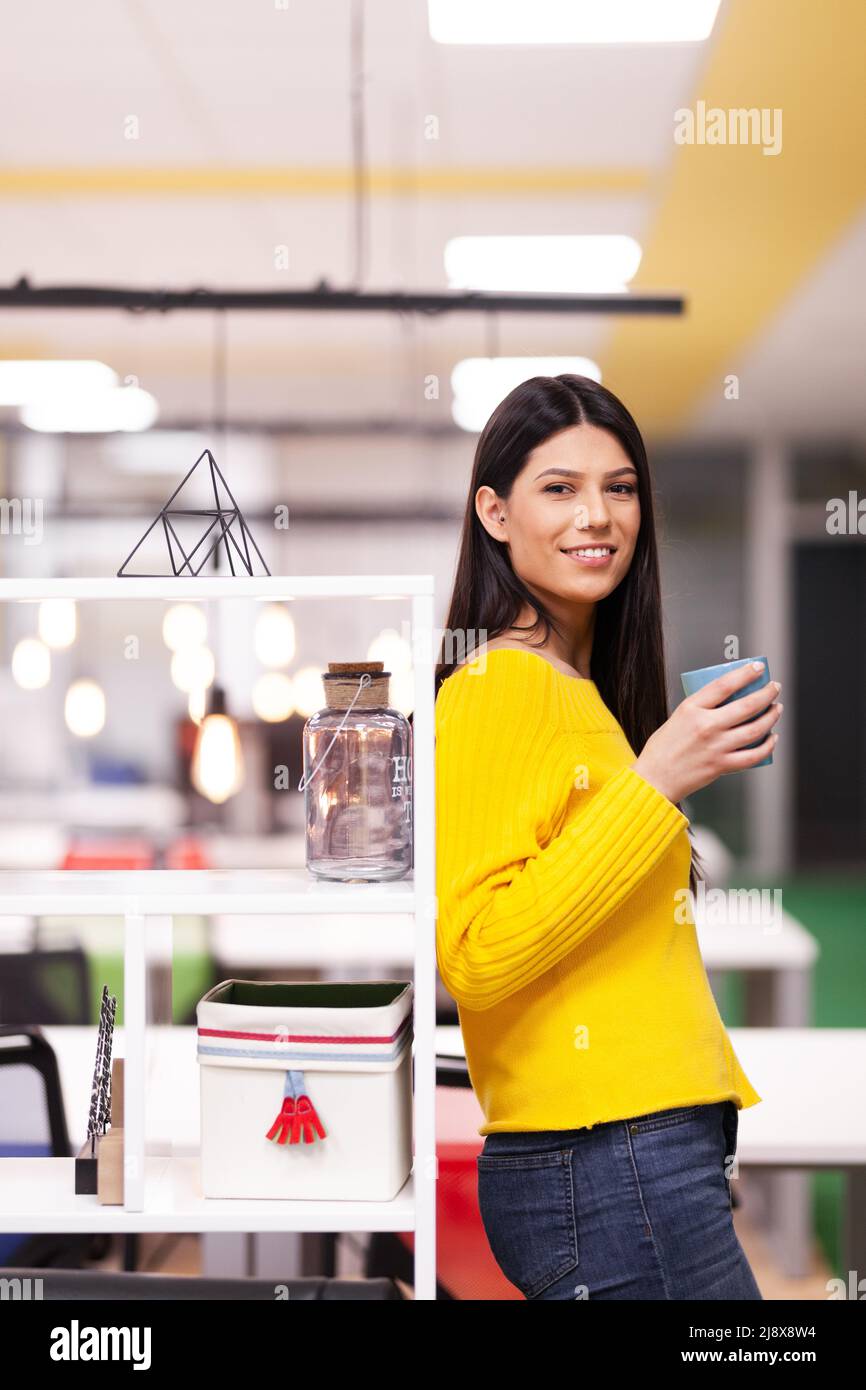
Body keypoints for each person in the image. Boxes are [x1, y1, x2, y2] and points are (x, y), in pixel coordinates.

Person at [434, 374, 781, 1300]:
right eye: (560, 488)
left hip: (638, 1156)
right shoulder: (500, 685)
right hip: (608, 1161)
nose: (598, 515)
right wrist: (658, 778)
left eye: (619, 488)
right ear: (495, 512)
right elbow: (475, 950)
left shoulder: (578, 693)